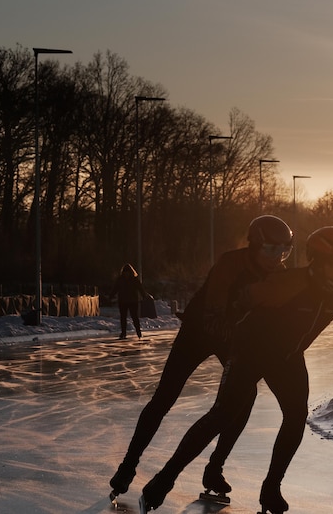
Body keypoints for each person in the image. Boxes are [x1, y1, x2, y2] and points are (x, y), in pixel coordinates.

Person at [139, 226, 333, 513]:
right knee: (222, 415)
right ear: (317, 261)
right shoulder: (284, 284)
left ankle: (271, 489)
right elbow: (238, 302)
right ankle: (162, 481)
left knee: (296, 416)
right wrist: (233, 336)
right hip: (251, 352)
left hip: (287, 358)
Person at [108, 215, 295, 504]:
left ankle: (214, 468)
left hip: (230, 336)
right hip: (199, 330)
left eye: (285, 250)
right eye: (271, 249)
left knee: (245, 396)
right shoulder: (230, 264)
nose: (278, 257)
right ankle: (128, 466)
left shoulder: (277, 273)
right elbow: (216, 312)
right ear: (255, 244)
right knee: (165, 397)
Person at [112, 263, 152, 339]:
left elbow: (140, 288)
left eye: (127, 272)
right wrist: (111, 296)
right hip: (123, 301)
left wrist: (144, 295)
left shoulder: (134, 280)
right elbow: (115, 289)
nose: (126, 274)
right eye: (125, 272)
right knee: (123, 318)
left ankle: (138, 332)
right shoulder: (120, 280)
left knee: (134, 317)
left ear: (130, 272)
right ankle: (123, 333)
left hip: (132, 301)